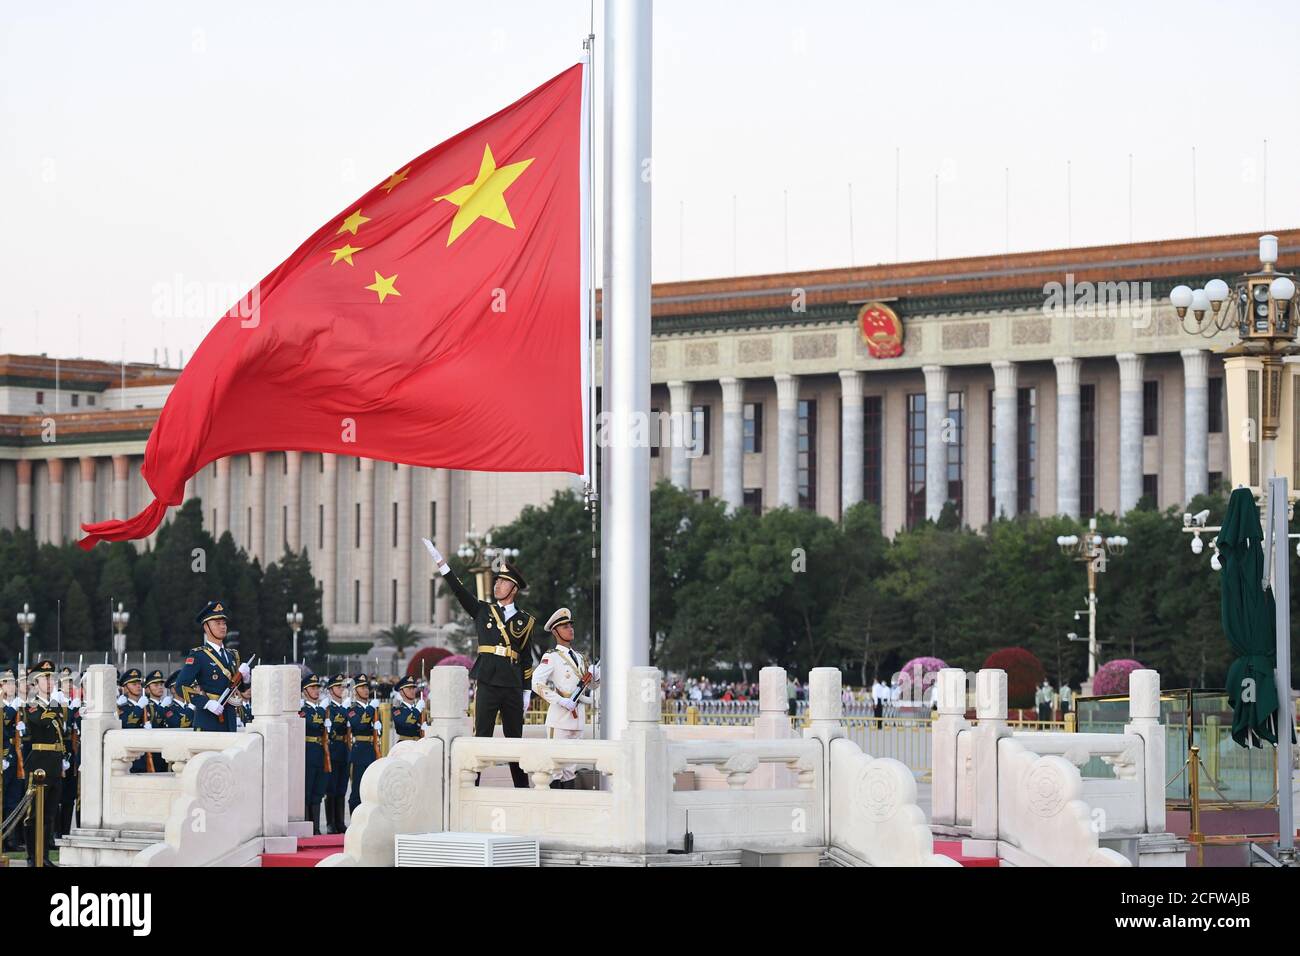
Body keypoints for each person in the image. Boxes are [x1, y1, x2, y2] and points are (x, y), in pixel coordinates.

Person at [424, 539, 536, 789]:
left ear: (514, 589)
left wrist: (527, 690)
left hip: (512, 684)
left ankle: (522, 790)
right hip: (487, 680)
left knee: (514, 740)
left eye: (503, 582)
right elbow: (460, 590)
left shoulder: (526, 621)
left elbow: (526, 658)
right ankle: (471, 788)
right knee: (481, 737)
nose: (497, 585)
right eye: (496, 581)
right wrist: (443, 565)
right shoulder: (483, 611)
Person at [530, 608, 597, 789]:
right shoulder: (551, 657)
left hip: (578, 718)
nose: (570, 629)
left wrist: (596, 677)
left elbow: (590, 688)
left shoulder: (581, 657)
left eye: (570, 626)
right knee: (556, 767)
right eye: (565, 627)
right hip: (559, 719)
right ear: (555, 631)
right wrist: (560, 700)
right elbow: (536, 682)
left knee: (570, 769)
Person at [175, 600, 251, 732]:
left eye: (224, 623)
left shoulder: (233, 655)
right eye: (217, 623)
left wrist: (246, 678)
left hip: (230, 718)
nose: (222, 627)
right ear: (206, 627)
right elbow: (180, 686)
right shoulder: (198, 655)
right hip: (208, 720)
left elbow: (242, 689)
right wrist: (206, 703)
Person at [21, 660, 67, 865]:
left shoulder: (54, 704)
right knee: (33, 815)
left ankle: (44, 856)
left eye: (52, 679)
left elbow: (61, 732)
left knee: (49, 815)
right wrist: (53, 709)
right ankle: (32, 856)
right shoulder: (31, 703)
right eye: (45, 678)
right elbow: (41, 720)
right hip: (39, 763)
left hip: (55, 764)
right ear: (35, 682)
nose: (50, 682)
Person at [344, 673, 381, 816]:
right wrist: (371, 709)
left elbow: (379, 732)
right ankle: (354, 820)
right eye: (362, 687)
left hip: (372, 751)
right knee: (357, 791)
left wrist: (379, 727)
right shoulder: (352, 709)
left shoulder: (374, 709)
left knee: (371, 790)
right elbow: (358, 726)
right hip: (359, 753)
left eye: (367, 687)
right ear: (355, 691)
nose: (366, 690)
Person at [298, 674, 329, 835]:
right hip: (308, 751)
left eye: (317, 688)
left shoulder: (322, 711)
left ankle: (316, 828)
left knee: (318, 790)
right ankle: (307, 827)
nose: (316, 691)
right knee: (307, 790)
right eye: (312, 688)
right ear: (304, 691)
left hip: (320, 751)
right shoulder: (302, 711)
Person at [323, 674, 350, 832]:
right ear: (331, 690)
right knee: (331, 788)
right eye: (338, 687)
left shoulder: (345, 708)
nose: (341, 689)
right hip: (332, 750)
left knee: (342, 787)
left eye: (342, 687)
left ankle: (340, 822)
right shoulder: (328, 709)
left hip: (344, 749)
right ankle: (330, 823)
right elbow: (329, 730)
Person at [2, 669, 23, 852]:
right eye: (7, 682)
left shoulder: (17, 704)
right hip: (4, 755)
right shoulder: (7, 706)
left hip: (15, 756)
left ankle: (10, 840)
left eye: (13, 683)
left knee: (13, 800)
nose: (12, 686)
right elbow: (5, 721)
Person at [116, 668, 152, 773]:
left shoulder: (146, 705)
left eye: (139, 684)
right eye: (134, 684)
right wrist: (139, 708)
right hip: (131, 754)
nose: (138, 686)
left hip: (145, 751)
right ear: (126, 688)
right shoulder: (122, 707)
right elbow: (128, 724)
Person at [391, 676, 426, 742]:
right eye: (409, 689)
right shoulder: (397, 709)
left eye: (413, 688)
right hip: (405, 744)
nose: (412, 691)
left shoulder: (419, 708)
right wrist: (417, 710)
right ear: (401, 692)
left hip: (420, 743)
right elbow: (406, 724)